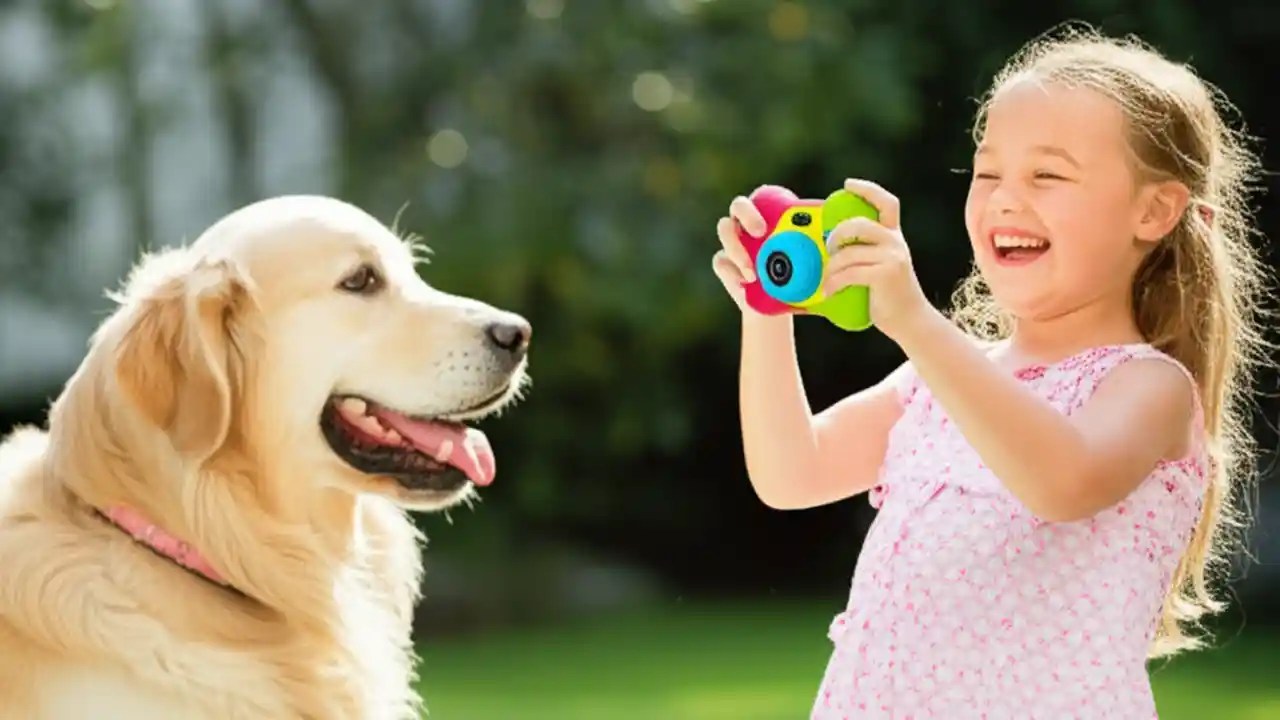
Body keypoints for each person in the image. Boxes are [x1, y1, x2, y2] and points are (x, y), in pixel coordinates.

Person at [712, 25, 1269, 718]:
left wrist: (915, 321)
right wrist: (764, 310)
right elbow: (791, 474)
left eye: (1048, 174)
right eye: (988, 172)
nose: (1006, 197)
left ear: (1153, 210)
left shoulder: (1148, 386)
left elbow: (1062, 483)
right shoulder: (936, 382)